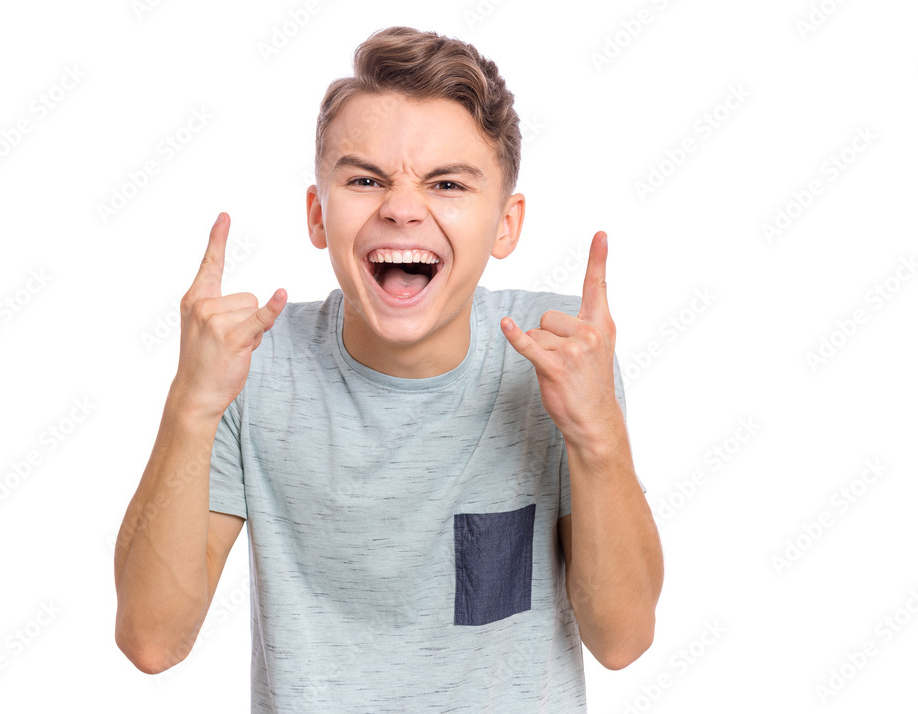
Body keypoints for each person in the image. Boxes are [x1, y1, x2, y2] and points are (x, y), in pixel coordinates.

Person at [114, 25, 663, 712]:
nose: (402, 208)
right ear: (318, 215)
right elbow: (151, 642)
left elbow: (623, 641)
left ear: (505, 225)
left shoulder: (559, 356)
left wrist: (596, 433)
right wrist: (190, 403)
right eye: (366, 179)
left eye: (448, 183)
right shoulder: (248, 362)